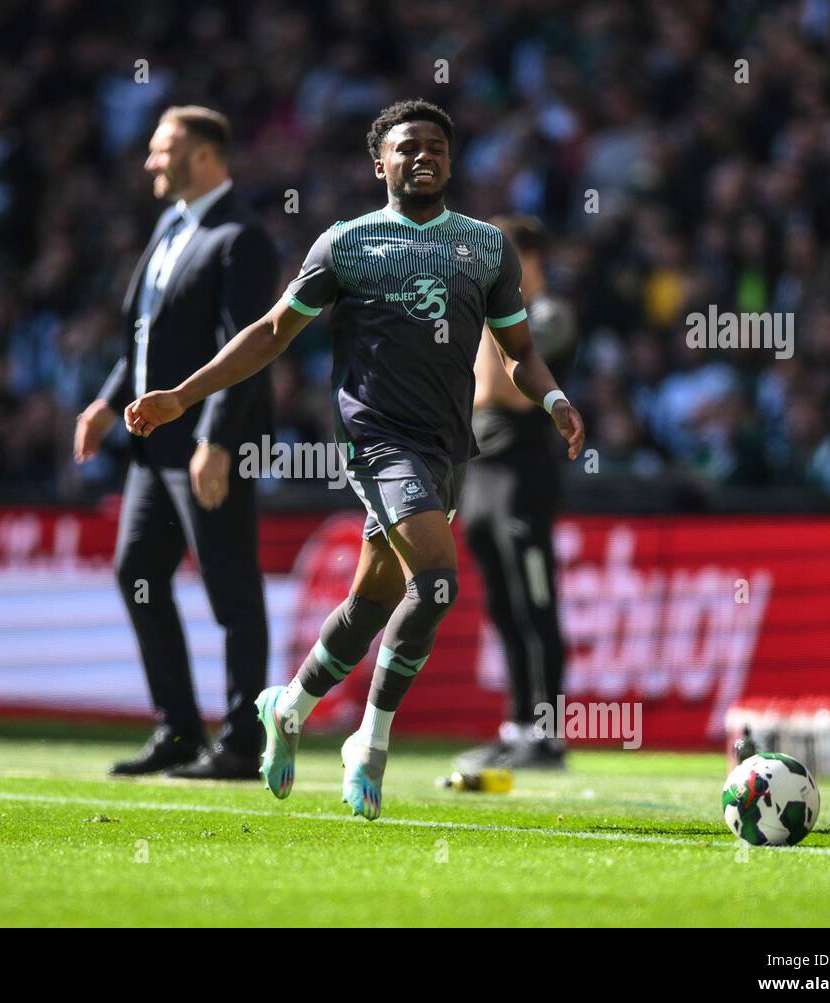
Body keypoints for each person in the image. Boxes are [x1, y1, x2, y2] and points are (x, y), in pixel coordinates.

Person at [126, 99, 585, 819]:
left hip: (445, 448)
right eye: (407, 147)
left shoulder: (486, 249)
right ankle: (368, 743)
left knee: (372, 602)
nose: (423, 155)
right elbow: (273, 331)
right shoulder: (347, 243)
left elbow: (519, 350)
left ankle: (289, 704)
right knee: (435, 583)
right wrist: (184, 395)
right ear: (381, 165)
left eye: (436, 145)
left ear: (451, 161)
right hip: (376, 440)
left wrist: (556, 401)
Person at [75, 106, 279, 779]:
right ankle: (180, 730)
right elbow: (145, 337)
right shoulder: (170, 225)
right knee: (136, 573)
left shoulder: (241, 238)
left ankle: (245, 744)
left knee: (232, 595)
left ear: (203, 156)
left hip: (206, 449)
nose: (149, 162)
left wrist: (217, 440)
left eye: (162, 150)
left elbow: (246, 351)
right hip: (151, 450)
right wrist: (107, 403)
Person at [457, 216, 577, 771]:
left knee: (536, 603)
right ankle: (516, 725)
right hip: (479, 472)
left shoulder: (550, 316)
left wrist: (485, 314)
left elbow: (507, 386)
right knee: (502, 607)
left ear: (532, 260)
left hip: (523, 475)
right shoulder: (491, 319)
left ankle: (547, 734)